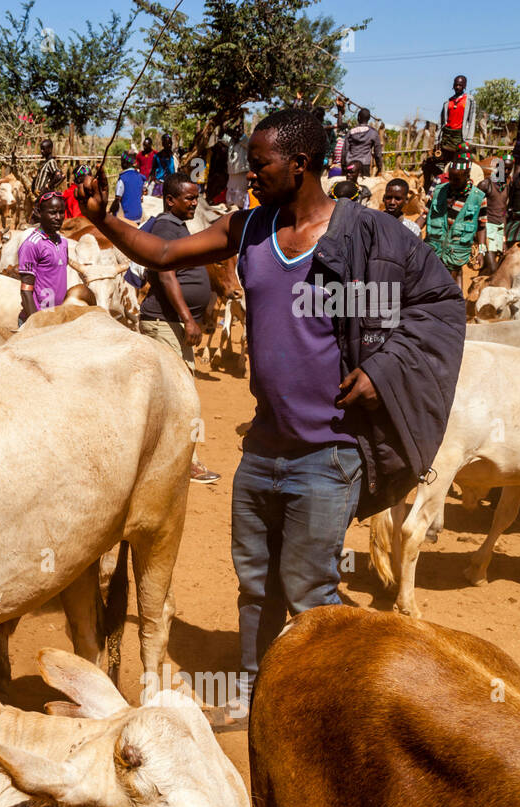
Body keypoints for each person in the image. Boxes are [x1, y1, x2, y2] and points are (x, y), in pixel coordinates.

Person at [73, 107, 466, 715]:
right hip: (262, 451)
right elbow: (160, 250)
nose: (249, 175)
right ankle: (259, 699)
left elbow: (438, 304)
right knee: (256, 589)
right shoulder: (248, 229)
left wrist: (383, 371)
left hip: (329, 452)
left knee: (311, 591)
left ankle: (330, 714)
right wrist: (102, 219)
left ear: (301, 164)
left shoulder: (366, 236)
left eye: (260, 165)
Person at [136, 171, 220, 484]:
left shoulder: (177, 227)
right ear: (170, 200)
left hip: (172, 324)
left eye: (196, 198)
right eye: (188, 198)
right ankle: (187, 462)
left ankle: (179, 458)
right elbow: (165, 275)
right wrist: (188, 318)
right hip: (165, 323)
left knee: (181, 393)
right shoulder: (166, 227)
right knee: (182, 396)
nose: (194, 203)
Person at [424, 152, 487, 281]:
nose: (452, 182)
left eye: (457, 179)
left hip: (456, 252)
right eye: (450, 177)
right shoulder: (439, 191)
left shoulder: (478, 198)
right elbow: (425, 215)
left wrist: (481, 251)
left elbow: (482, 226)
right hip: (435, 247)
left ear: (467, 176)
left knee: (454, 279)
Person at [17, 192, 69, 326]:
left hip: (56, 319)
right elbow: (26, 291)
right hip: (37, 321)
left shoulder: (63, 242)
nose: (58, 217)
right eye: (52, 213)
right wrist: (37, 324)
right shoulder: (32, 244)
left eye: (61, 212)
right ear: (39, 213)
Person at [479, 153, 511, 271]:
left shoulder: (506, 187)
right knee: (492, 268)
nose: (506, 171)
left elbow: (503, 213)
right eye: (504, 168)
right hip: (487, 229)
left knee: (498, 267)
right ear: (498, 166)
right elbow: (473, 207)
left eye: (509, 169)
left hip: (499, 229)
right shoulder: (485, 184)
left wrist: (503, 238)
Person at [439, 75, 475, 164]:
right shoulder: (448, 102)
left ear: (464, 86)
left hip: (460, 136)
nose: (457, 87)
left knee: (459, 160)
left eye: (460, 85)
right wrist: (438, 138)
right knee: (446, 161)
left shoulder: (469, 100)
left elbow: (471, 120)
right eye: (456, 85)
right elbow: (441, 121)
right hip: (447, 135)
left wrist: (469, 139)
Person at [342, 108, 383, 178]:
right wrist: (379, 168)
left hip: (350, 164)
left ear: (358, 117)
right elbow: (378, 153)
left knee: (350, 186)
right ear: (369, 118)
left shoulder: (350, 132)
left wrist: (343, 165)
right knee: (363, 185)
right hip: (364, 165)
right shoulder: (373, 133)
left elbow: (345, 151)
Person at [113, 152, 145, 221]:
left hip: (127, 218)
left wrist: (112, 212)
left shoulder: (123, 178)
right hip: (138, 216)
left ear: (124, 163)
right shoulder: (140, 177)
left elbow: (117, 198)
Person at [32, 139, 64, 204]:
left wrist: (49, 186)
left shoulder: (51, 162)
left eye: (43, 149)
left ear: (49, 149)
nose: (41, 151)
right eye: (41, 149)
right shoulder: (45, 162)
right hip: (39, 196)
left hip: (45, 197)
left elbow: (59, 176)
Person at [225, 126, 250, 208]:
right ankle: (230, 205)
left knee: (240, 191)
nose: (235, 134)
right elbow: (223, 138)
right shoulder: (231, 142)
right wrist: (225, 129)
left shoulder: (246, 141)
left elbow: (243, 139)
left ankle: (239, 207)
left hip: (242, 171)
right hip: (232, 171)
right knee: (230, 189)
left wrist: (238, 133)